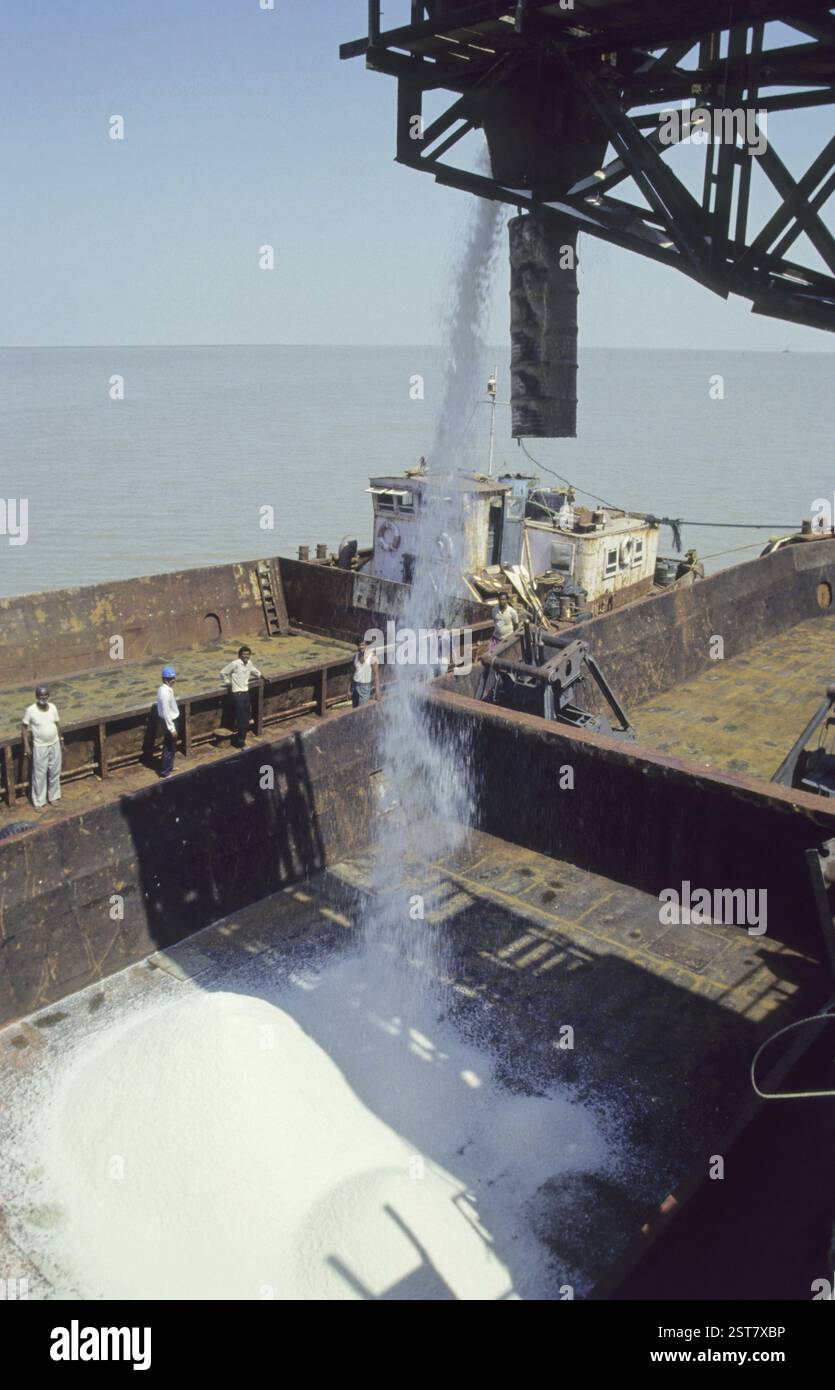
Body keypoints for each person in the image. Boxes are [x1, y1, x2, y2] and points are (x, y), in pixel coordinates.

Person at [21, 685, 62, 810]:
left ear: (48, 696)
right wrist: (27, 746)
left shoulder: (53, 707)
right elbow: (24, 727)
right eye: (41, 695)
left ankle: (53, 797)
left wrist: (61, 740)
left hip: (54, 743)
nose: (43, 697)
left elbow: (57, 724)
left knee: (55, 771)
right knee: (39, 775)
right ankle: (39, 802)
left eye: (45, 695)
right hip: (40, 746)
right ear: (36, 696)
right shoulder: (31, 710)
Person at [220, 645, 262, 748]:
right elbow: (223, 672)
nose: (246, 656)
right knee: (241, 717)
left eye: (248, 654)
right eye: (244, 654)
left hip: (245, 692)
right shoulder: (235, 664)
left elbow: (254, 671)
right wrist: (227, 682)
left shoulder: (249, 663)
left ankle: (242, 736)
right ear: (240, 655)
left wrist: (262, 676)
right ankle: (240, 741)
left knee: (248, 716)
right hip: (237, 694)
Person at [156, 666, 179, 778]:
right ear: (166, 680)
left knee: (172, 746)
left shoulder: (167, 689)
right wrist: (172, 728)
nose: (174, 680)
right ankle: (165, 771)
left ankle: (170, 766)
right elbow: (166, 712)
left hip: (172, 720)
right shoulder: (164, 692)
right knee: (168, 747)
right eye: (172, 678)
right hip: (169, 722)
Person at [352, 637, 380, 707]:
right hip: (355, 685)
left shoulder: (372, 656)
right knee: (355, 708)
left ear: (366, 645)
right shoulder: (356, 656)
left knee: (362, 709)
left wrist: (377, 691)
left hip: (365, 686)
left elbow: (376, 675)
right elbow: (352, 672)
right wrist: (348, 689)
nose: (361, 647)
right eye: (359, 645)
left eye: (363, 645)